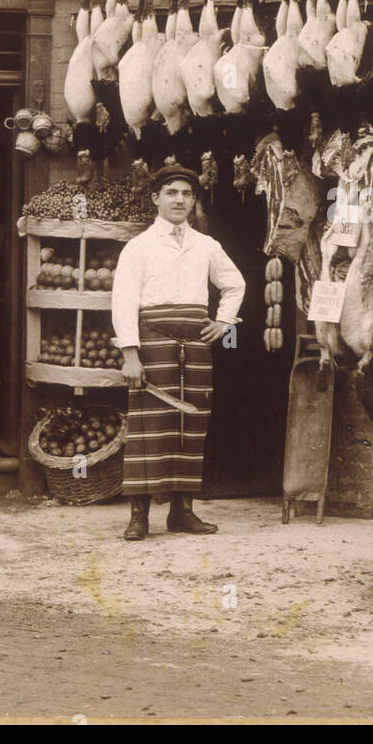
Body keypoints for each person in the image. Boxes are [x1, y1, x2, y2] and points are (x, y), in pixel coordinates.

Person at [111, 164, 245, 541]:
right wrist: (130, 355)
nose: (180, 200)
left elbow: (235, 284)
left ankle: (182, 511)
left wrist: (225, 322)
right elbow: (123, 302)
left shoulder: (206, 245)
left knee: (191, 426)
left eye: (186, 194)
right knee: (148, 427)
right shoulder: (138, 247)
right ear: (156, 198)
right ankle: (139, 515)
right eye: (171, 192)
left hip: (197, 347)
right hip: (152, 344)